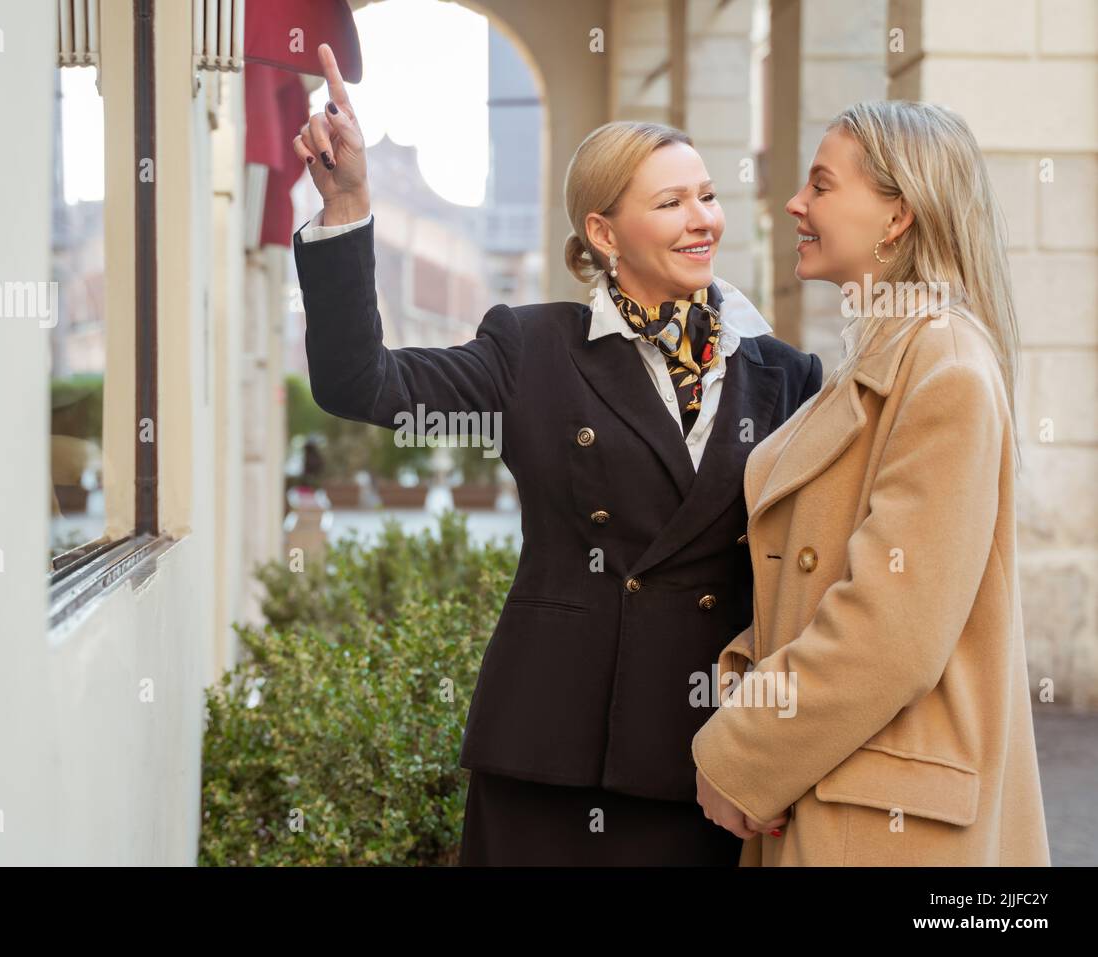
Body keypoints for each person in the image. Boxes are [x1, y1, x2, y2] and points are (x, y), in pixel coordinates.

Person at [293, 43, 820, 865]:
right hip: (552, 748)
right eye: (672, 201)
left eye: (708, 197)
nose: (703, 219)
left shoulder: (784, 374)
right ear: (604, 231)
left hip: (707, 758)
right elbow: (364, 383)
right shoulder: (532, 347)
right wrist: (351, 205)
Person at [692, 100, 1051, 866]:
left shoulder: (944, 365)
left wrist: (741, 750)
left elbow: (892, 633)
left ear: (896, 218)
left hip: (883, 818)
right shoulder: (881, 358)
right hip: (839, 788)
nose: (795, 203)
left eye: (821, 185)